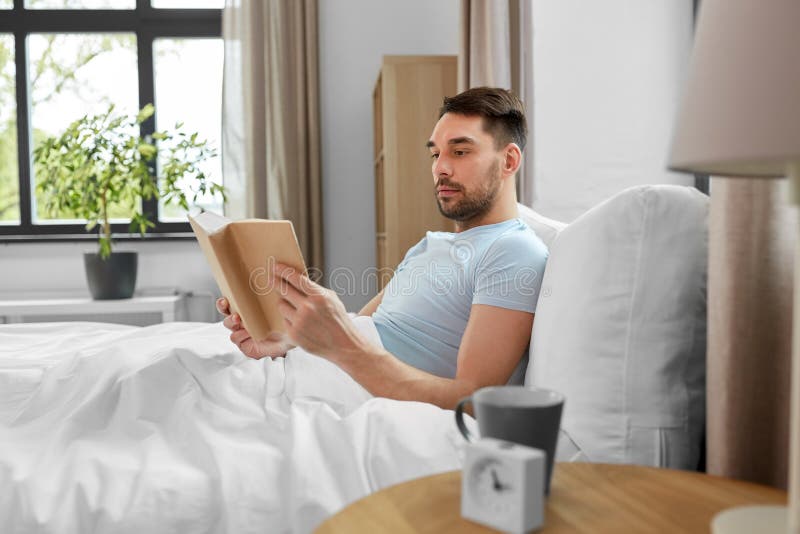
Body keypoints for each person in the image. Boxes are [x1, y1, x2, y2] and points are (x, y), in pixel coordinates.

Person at [216, 87, 548, 410]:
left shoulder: (512, 251)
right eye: (436, 153)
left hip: (331, 396)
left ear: (509, 160)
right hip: (309, 374)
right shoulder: (429, 245)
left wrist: (340, 342)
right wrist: (285, 342)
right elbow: (363, 330)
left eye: (459, 152)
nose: (440, 168)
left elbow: (473, 401)